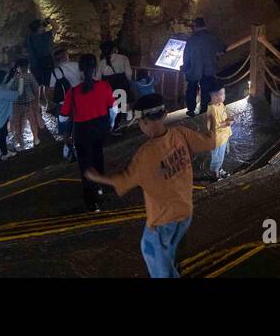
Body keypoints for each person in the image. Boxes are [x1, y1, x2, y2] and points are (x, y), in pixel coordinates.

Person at [83, 93, 215, 278]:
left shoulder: (145, 155)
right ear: (164, 115)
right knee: (169, 252)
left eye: (139, 122)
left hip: (162, 221)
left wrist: (97, 177)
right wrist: (212, 123)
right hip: (185, 212)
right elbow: (210, 142)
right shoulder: (180, 134)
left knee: (152, 252)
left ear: (144, 121)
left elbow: (123, 181)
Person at [60, 53, 115, 212]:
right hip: (100, 128)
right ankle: (100, 187)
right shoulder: (105, 86)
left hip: (82, 131)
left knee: (85, 164)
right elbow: (113, 110)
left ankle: (91, 200)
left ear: (80, 70)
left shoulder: (73, 92)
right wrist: (110, 125)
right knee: (98, 156)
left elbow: (63, 117)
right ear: (95, 68)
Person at [182, 17, 223, 117]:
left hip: (194, 69)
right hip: (209, 68)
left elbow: (186, 55)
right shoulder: (212, 37)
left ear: (195, 27)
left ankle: (191, 110)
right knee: (206, 89)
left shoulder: (191, 40)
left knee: (191, 88)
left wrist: (185, 67)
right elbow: (222, 49)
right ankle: (203, 110)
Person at [8, 58, 44, 150]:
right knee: (33, 121)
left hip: (16, 104)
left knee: (18, 123)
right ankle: (35, 139)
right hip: (29, 103)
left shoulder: (13, 78)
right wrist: (37, 102)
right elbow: (36, 89)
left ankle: (20, 142)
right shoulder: (29, 76)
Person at [99, 39, 134, 131]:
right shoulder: (123, 58)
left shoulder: (101, 63)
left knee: (112, 107)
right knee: (123, 105)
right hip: (122, 84)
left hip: (109, 87)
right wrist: (129, 82)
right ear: (114, 48)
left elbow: (98, 78)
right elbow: (129, 73)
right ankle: (126, 122)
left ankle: (114, 125)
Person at [204, 78, 234, 180]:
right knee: (216, 158)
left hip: (223, 137)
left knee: (221, 156)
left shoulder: (221, 104)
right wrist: (227, 122)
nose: (224, 96)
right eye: (222, 94)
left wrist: (228, 119)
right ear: (214, 95)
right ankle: (215, 176)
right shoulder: (212, 109)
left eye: (224, 93)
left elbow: (223, 116)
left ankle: (219, 169)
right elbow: (216, 125)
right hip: (217, 139)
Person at [26, 19, 55, 104]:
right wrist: (49, 20)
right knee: (47, 84)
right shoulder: (44, 37)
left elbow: (25, 50)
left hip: (34, 65)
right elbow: (56, 27)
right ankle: (49, 104)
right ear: (39, 28)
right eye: (42, 26)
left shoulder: (29, 38)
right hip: (46, 63)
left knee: (37, 86)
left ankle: (37, 107)